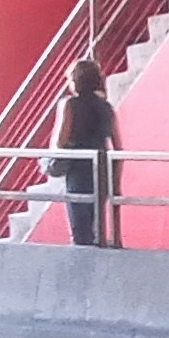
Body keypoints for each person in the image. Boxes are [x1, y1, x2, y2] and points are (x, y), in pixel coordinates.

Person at [53, 55, 120, 247]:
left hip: (79, 170)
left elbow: (61, 139)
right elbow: (118, 147)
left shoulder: (70, 105)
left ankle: (82, 271)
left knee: (80, 231)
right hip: (102, 169)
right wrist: (115, 181)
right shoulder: (106, 107)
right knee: (97, 224)